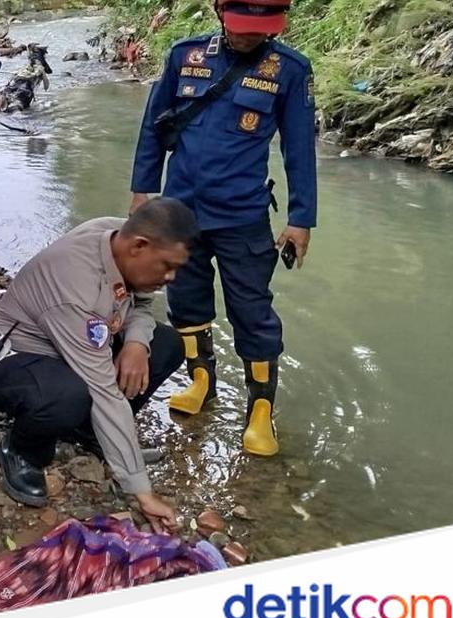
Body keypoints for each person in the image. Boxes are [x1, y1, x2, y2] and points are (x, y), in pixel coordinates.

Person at [129, 0, 317, 457]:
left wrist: (300, 218)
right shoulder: (184, 56)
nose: (250, 36)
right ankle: (201, 381)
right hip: (181, 210)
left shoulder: (289, 69)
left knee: (252, 313)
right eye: (241, 28)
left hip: (242, 216)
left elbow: (298, 147)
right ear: (218, 12)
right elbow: (154, 127)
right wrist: (142, 191)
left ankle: (259, 411)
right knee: (186, 301)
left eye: (260, 30)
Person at [0, 199, 199, 532]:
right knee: (68, 395)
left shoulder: (115, 234)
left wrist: (136, 343)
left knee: (165, 344)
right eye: (167, 266)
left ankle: (89, 432)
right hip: (10, 358)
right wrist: (142, 491)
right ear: (139, 246)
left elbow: (139, 301)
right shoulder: (75, 284)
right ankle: (22, 451)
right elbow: (103, 390)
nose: (171, 277)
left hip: (70, 348)